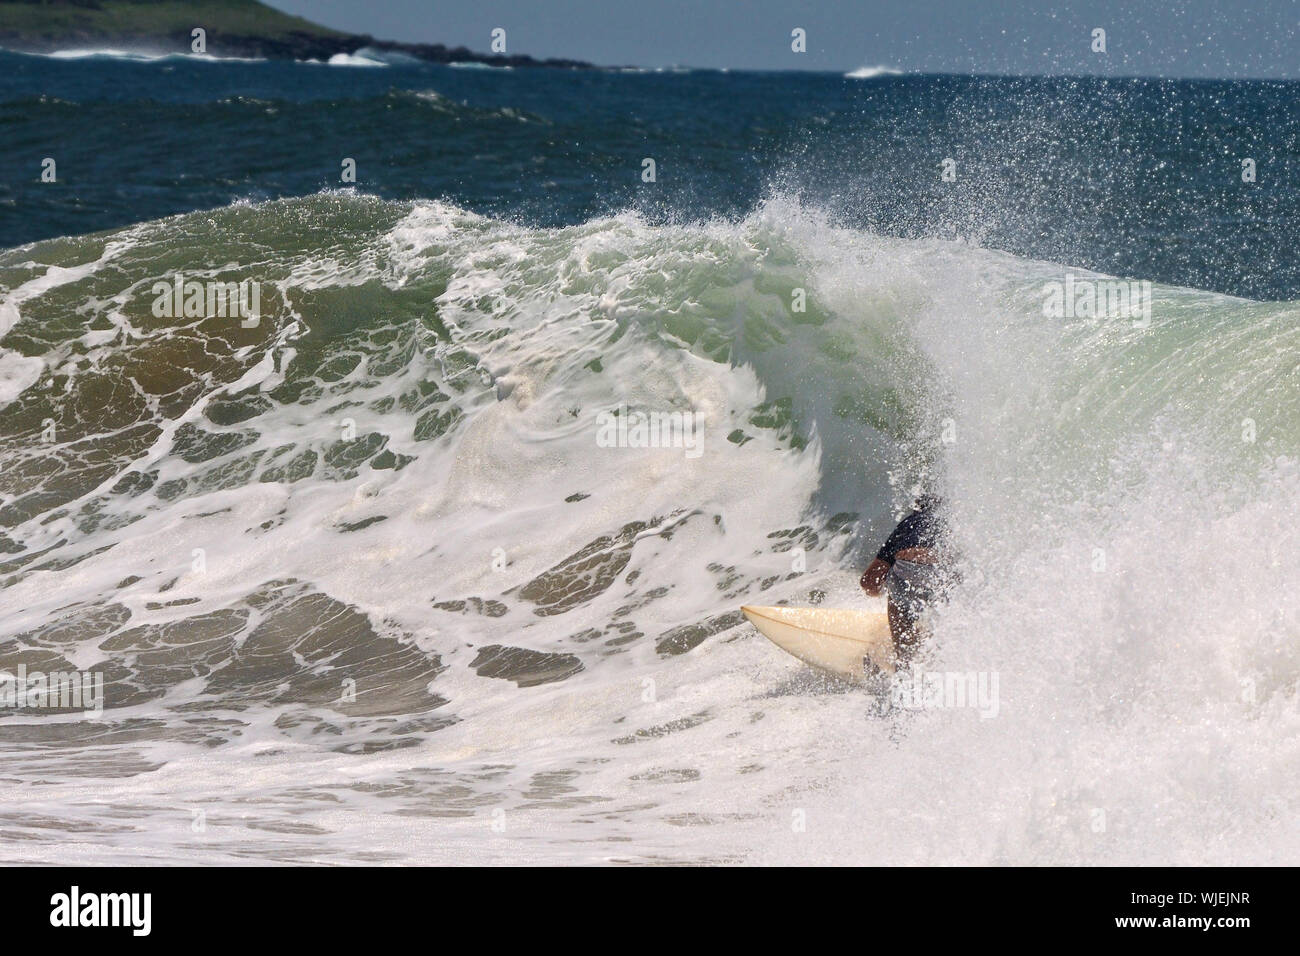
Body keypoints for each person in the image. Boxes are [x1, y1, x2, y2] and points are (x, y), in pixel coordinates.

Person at [860, 495, 946, 659]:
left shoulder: (909, 524)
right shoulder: (961, 526)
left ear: (917, 508)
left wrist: (876, 592)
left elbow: (869, 581)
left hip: (905, 575)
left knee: (898, 598)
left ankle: (905, 663)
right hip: (941, 579)